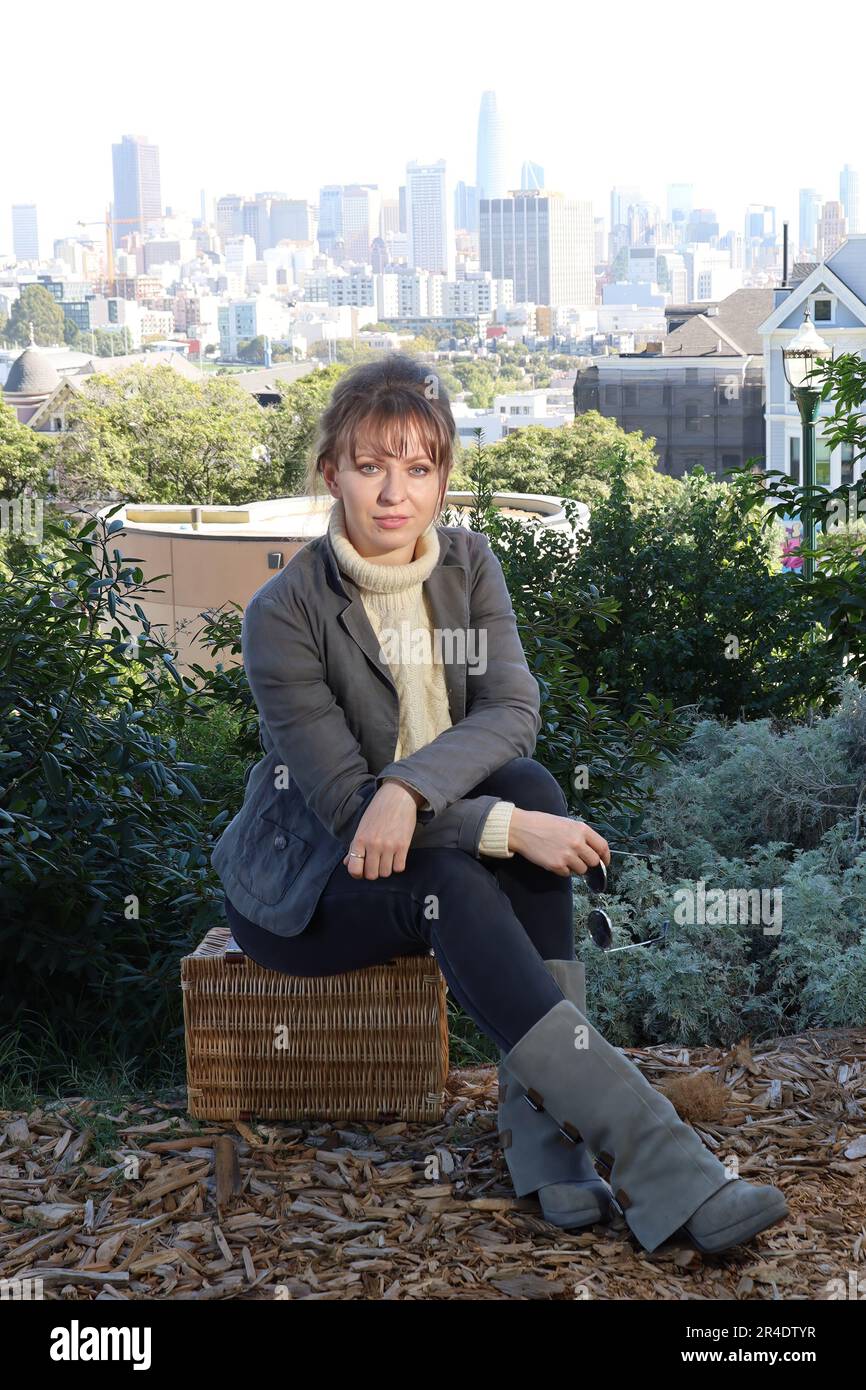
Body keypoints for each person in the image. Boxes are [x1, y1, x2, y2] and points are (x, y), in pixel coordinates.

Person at [211, 353, 789, 1254]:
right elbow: (343, 805)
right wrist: (495, 826)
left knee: (528, 783)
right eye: (370, 466)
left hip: (419, 836)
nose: (394, 493)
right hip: (315, 890)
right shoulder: (284, 612)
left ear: (444, 474)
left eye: (419, 467)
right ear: (333, 472)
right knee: (474, 854)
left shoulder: (469, 565)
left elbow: (513, 711)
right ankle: (663, 1165)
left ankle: (545, 1138)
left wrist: (415, 786)